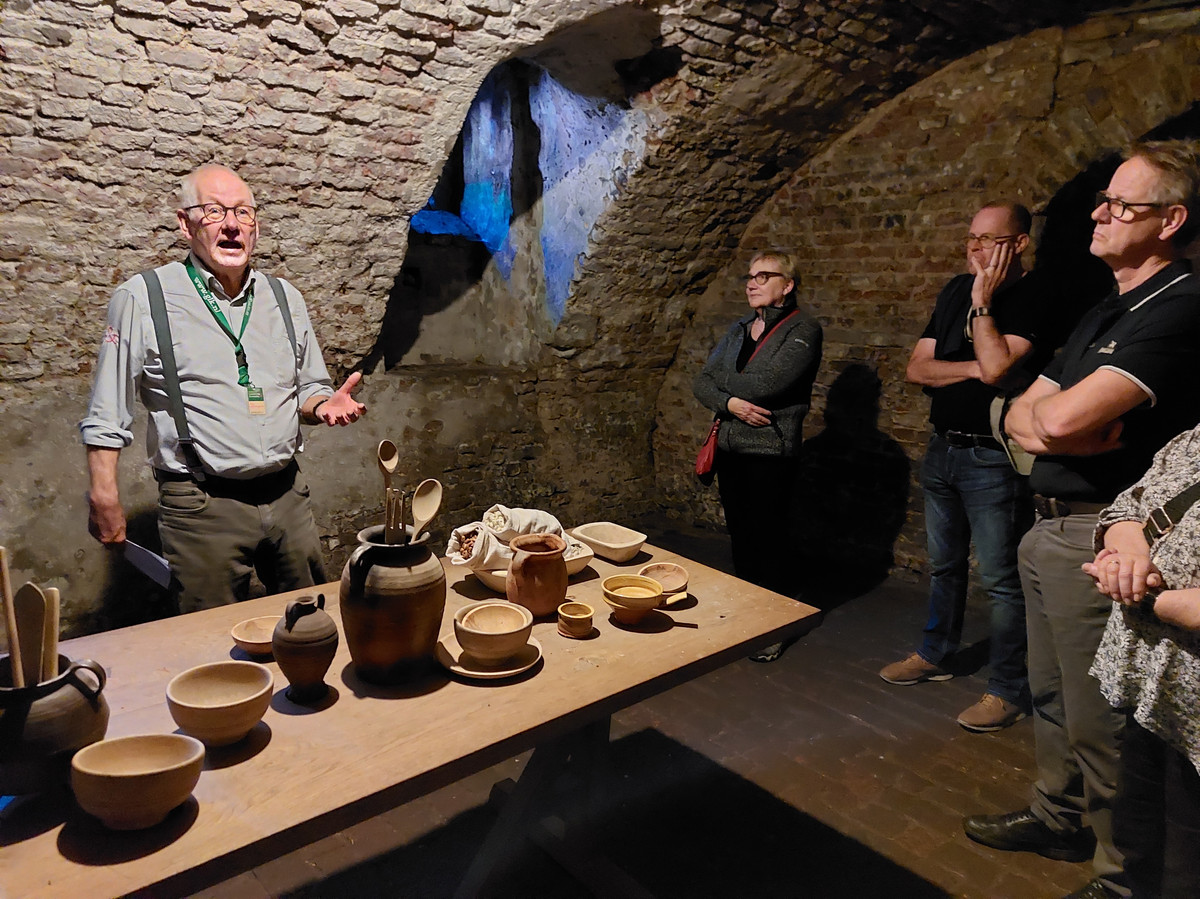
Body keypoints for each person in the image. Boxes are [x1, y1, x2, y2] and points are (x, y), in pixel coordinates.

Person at [964, 141, 1200, 899]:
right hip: (1052, 521)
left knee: (1104, 720)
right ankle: (1058, 816)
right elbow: (1024, 405)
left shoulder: (1183, 303)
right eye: (1103, 200)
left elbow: (1055, 415)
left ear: (1171, 220)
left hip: (1104, 533)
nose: (1098, 214)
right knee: (1052, 693)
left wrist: (1042, 419)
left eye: (1121, 205)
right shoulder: (1111, 303)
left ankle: (1120, 875)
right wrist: (1041, 420)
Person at [80, 164, 366, 614]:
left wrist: (322, 404)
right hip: (200, 503)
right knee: (209, 638)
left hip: (287, 493)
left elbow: (308, 388)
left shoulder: (284, 297)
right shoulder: (143, 297)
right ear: (184, 223)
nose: (231, 224)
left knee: (313, 620)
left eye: (243, 213)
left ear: (256, 226)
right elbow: (107, 409)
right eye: (213, 211)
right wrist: (104, 493)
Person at [880, 203, 1048, 732]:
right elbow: (916, 368)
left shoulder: (1037, 297)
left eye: (988, 240)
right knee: (945, 565)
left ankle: (1006, 688)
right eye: (971, 239)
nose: (975, 249)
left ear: (1018, 243)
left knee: (1001, 580)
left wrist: (983, 305)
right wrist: (976, 367)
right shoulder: (954, 289)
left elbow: (1000, 367)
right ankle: (935, 654)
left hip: (992, 455)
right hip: (943, 448)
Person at [1083, 423, 1200, 898]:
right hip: (1154, 684)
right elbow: (1129, 505)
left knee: (1188, 866)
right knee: (1140, 830)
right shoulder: (1194, 438)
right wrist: (1126, 561)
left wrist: (1149, 602)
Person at [692, 250, 823, 659]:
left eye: (764, 276)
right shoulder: (739, 329)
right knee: (743, 536)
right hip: (732, 446)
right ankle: (748, 613)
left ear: (788, 285)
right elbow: (701, 381)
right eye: (750, 276)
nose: (752, 283)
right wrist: (729, 405)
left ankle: (774, 623)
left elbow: (766, 383)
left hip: (770, 449)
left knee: (769, 538)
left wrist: (723, 388)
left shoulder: (802, 329)